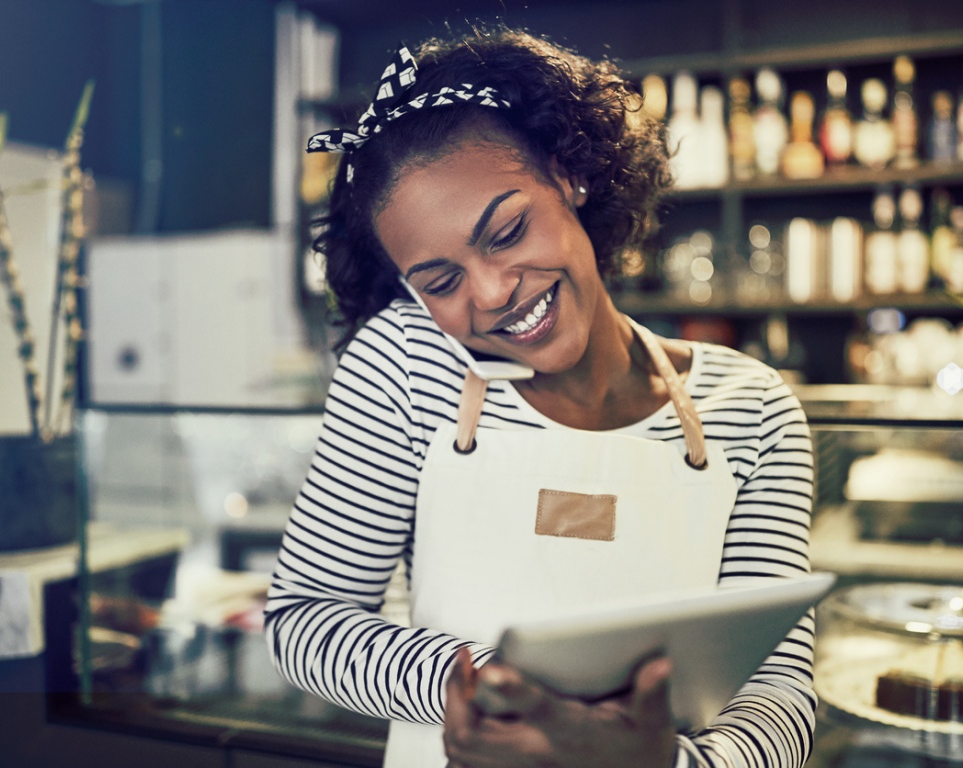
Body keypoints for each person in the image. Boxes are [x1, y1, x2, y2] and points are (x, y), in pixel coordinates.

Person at [265, 26, 816, 768]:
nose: (491, 294)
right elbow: (307, 624)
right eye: (440, 282)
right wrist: (494, 688)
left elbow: (777, 692)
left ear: (570, 177)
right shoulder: (405, 363)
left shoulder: (751, 408)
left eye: (507, 231)